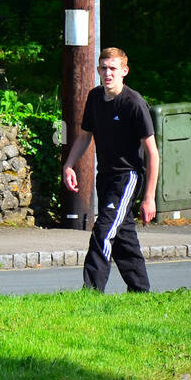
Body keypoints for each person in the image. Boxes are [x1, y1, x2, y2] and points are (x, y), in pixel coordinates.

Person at [62, 47, 158, 293]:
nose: (108, 73)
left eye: (113, 68)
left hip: (127, 177)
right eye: (103, 68)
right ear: (97, 70)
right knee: (123, 237)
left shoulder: (134, 103)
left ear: (124, 71)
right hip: (104, 177)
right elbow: (85, 137)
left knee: (103, 231)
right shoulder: (94, 98)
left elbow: (152, 152)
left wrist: (149, 198)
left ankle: (92, 291)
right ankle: (140, 291)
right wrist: (69, 165)